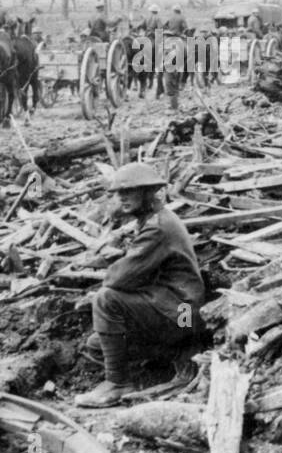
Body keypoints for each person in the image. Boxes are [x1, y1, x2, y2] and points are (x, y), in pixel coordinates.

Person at [75, 162, 206, 408]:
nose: (121, 198)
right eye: (118, 193)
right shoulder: (157, 219)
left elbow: (118, 279)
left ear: (148, 192)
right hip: (182, 313)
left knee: (105, 299)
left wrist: (112, 267)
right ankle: (176, 356)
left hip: (184, 316)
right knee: (96, 346)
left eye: (129, 191)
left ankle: (117, 383)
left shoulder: (157, 227)